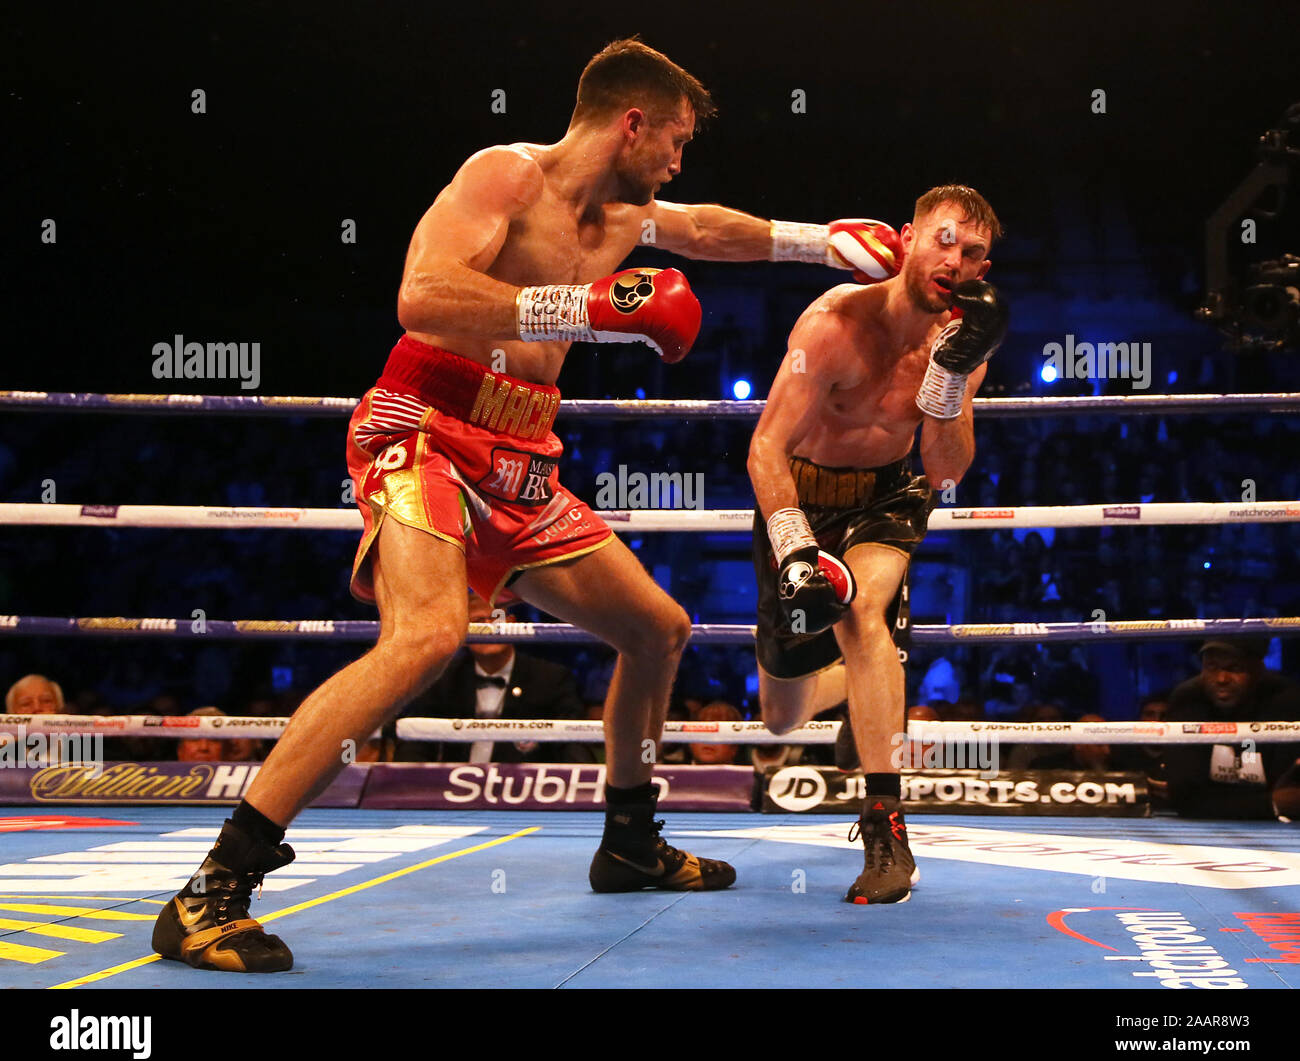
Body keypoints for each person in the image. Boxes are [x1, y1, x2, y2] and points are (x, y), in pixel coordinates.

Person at [153, 37, 902, 973]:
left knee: (657, 629)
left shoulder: (627, 215)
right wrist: (584, 310)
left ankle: (630, 841)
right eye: (672, 141)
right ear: (631, 123)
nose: (676, 162)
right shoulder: (503, 174)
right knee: (428, 635)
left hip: (522, 457)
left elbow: (709, 229)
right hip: (425, 423)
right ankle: (213, 888)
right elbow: (420, 296)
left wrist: (817, 239)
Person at [749, 185, 1005, 903]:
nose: (955, 259)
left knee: (865, 617)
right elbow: (764, 448)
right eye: (944, 239)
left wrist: (950, 374)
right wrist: (795, 547)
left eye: (974, 253)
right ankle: (868, 689)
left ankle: (886, 826)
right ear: (908, 238)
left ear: (985, 270)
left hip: (890, 493)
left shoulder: (963, 341)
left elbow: (946, 470)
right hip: (799, 493)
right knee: (780, 714)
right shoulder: (832, 322)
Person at [397, 593, 589, 763]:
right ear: (462, 631)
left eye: (496, 620)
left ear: (512, 624)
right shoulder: (444, 679)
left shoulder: (549, 679)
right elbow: (416, 742)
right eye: (478, 622)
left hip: (523, 789)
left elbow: (571, 743)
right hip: (457, 788)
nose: (489, 628)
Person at [1163, 638, 1300, 820]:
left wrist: (1276, 802)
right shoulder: (1187, 700)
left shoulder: (1287, 702)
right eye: (1212, 667)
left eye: (1235, 669)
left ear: (1258, 670)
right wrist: (1270, 803)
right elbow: (1186, 800)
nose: (1221, 679)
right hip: (1204, 828)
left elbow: (1291, 796)